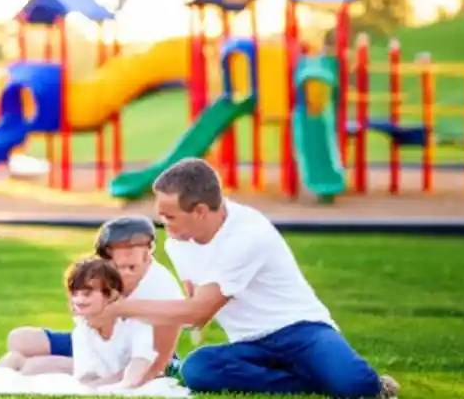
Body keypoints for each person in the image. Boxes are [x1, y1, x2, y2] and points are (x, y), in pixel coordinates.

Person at [100, 158, 400, 399]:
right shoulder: (178, 242)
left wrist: (122, 307)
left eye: (169, 216)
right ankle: (315, 381)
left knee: (356, 388)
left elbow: (198, 311)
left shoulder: (247, 234)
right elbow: (195, 313)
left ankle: (366, 383)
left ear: (201, 211)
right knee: (198, 369)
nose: (162, 224)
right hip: (249, 345)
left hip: (302, 330)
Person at [0, 216, 182, 380]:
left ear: (147, 254)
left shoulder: (161, 287)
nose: (123, 274)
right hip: (99, 343)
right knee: (20, 339)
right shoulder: (101, 274)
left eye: (131, 266)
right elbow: (85, 321)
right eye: (116, 265)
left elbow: (151, 345)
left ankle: (52, 366)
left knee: (34, 367)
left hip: (138, 354)